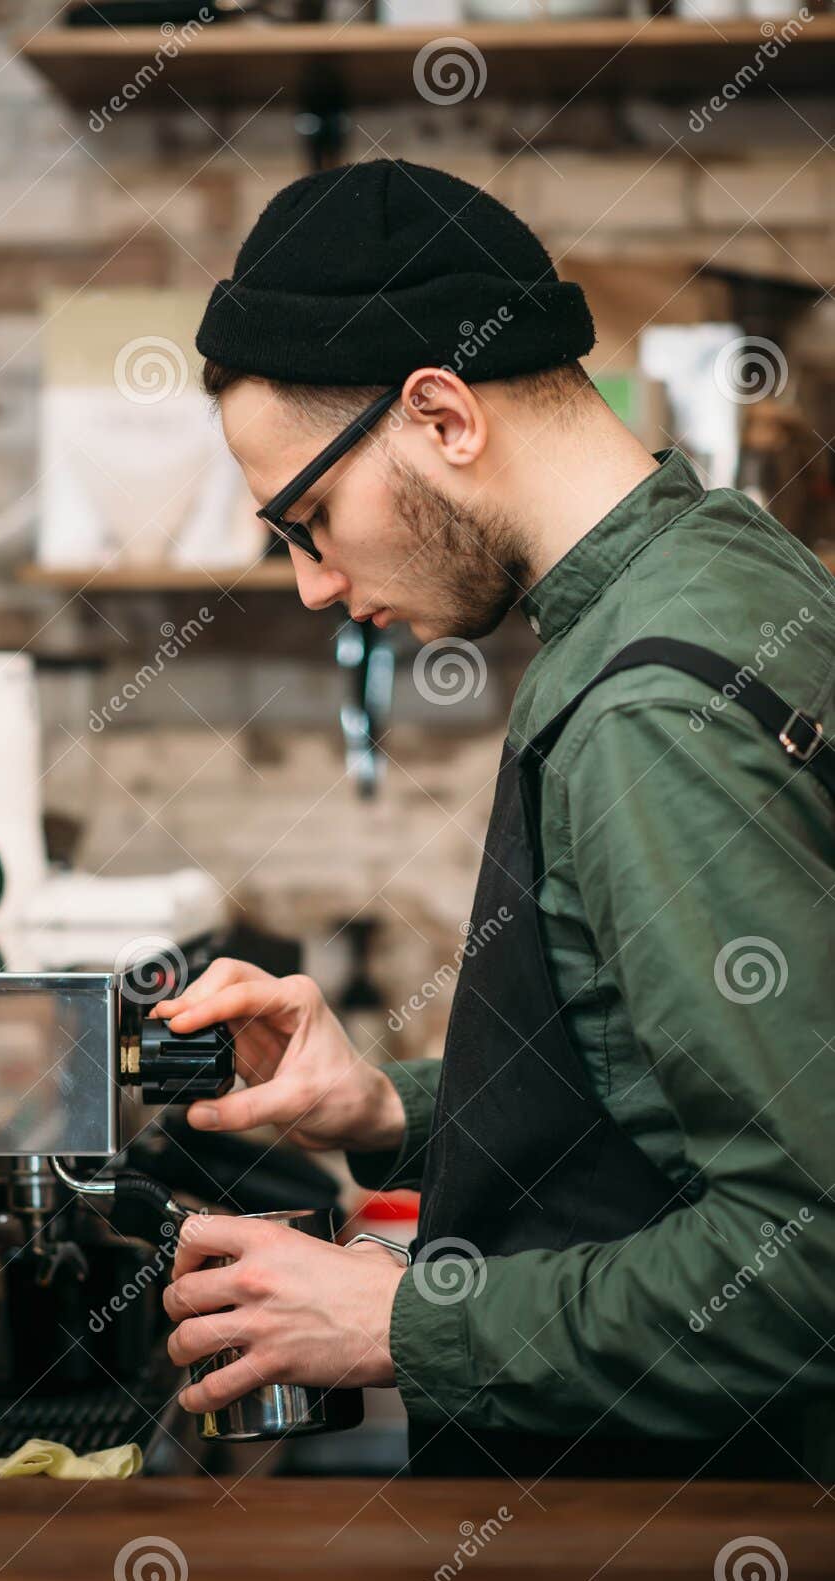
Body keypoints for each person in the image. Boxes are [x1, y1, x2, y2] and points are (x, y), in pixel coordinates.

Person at [156, 159, 835, 1480]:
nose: (311, 584)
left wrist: (403, 1318)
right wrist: (389, 1107)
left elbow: (808, 1249)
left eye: (310, 518)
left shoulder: (650, 711)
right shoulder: (723, 562)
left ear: (444, 416)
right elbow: (662, 1093)